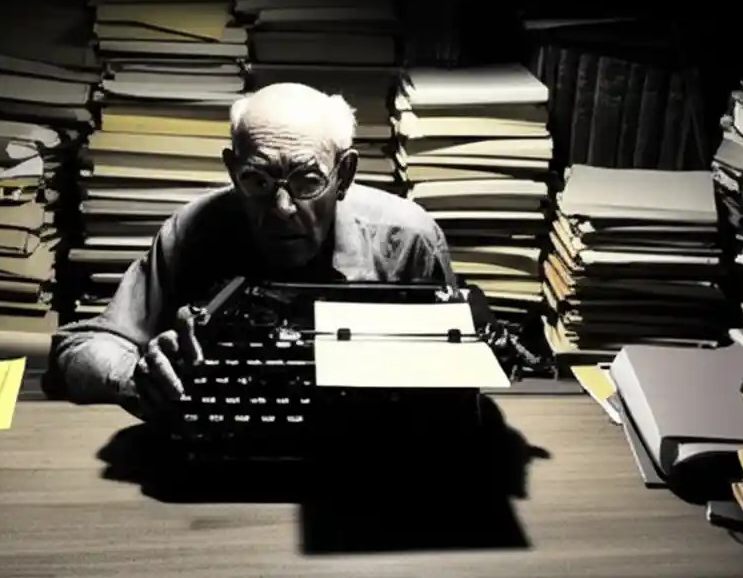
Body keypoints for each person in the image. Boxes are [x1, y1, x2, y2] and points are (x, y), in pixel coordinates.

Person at [46, 82, 458, 418]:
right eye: (257, 180)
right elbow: (81, 349)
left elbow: (453, 382)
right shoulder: (192, 229)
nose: (281, 209)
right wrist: (139, 378)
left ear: (344, 174)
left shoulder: (408, 239)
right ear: (231, 171)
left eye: (307, 182)